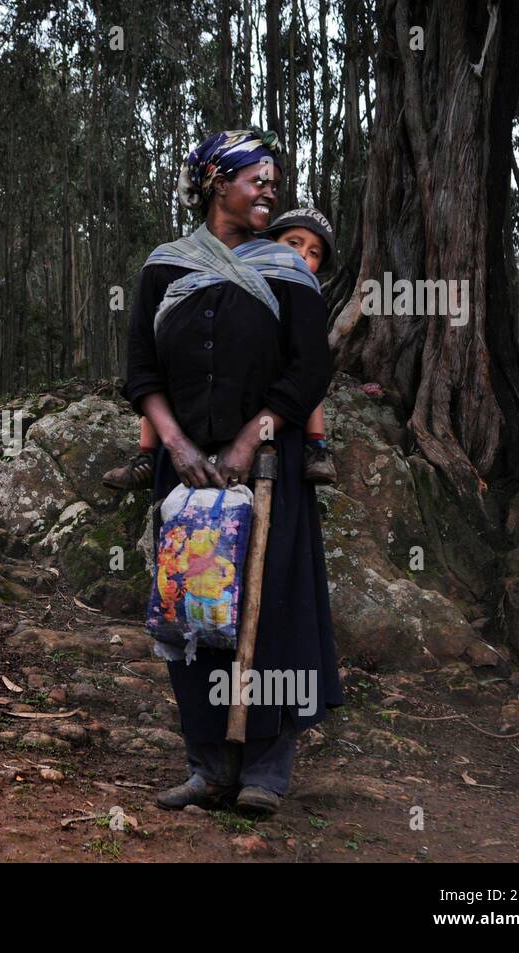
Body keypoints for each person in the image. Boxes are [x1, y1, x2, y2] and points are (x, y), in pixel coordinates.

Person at [120, 128, 342, 816]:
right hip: (187, 475)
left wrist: (255, 433)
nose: (269, 190)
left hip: (269, 470)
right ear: (219, 182)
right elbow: (142, 371)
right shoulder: (165, 266)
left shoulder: (288, 269)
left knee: (269, 607)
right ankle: (208, 765)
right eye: (256, 179)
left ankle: (266, 771)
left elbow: (311, 367)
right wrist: (179, 445)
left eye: (274, 181)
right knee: (192, 609)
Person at [102, 208, 338, 489]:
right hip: (188, 425)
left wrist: (251, 439)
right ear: (269, 241)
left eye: (314, 253)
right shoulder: (186, 268)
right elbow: (144, 364)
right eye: (294, 243)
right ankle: (147, 456)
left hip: (271, 442)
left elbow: (310, 368)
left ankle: (316, 446)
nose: (301, 256)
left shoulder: (300, 291)